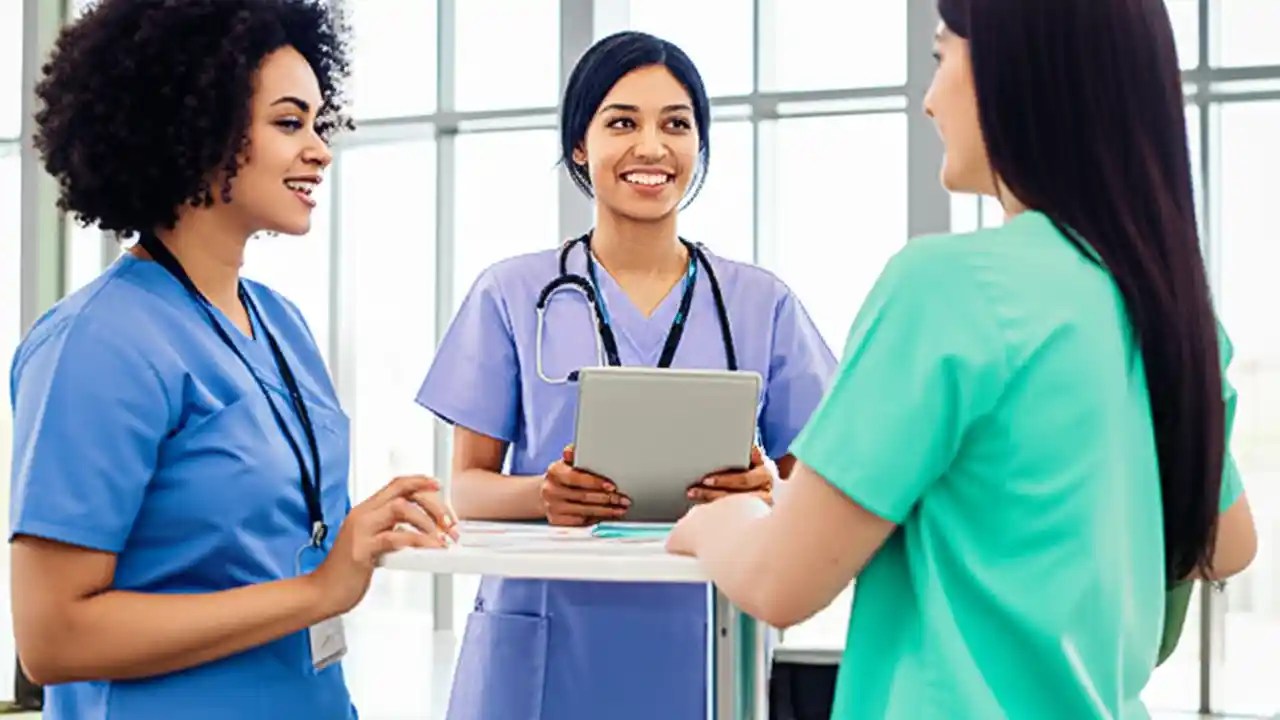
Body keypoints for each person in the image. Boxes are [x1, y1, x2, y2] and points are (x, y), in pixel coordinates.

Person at [666, 0, 1259, 718]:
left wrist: (717, 521)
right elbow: (1226, 545)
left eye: (942, 56)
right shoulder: (1173, 314)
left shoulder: (948, 287)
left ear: (1018, 75)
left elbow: (780, 581)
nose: (928, 100)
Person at [8, 2, 456, 719]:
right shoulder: (95, 344)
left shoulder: (282, 324)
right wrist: (318, 591)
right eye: (288, 123)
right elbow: (52, 636)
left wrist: (366, 533)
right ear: (197, 126)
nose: (319, 149)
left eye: (317, 122)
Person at [415, 30, 836, 720]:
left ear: (700, 145)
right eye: (621, 122)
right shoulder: (512, 294)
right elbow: (466, 489)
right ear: (580, 145)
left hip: (702, 638)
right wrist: (546, 497)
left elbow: (815, 490)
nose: (651, 147)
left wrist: (768, 492)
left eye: (676, 124)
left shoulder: (761, 304)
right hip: (543, 642)